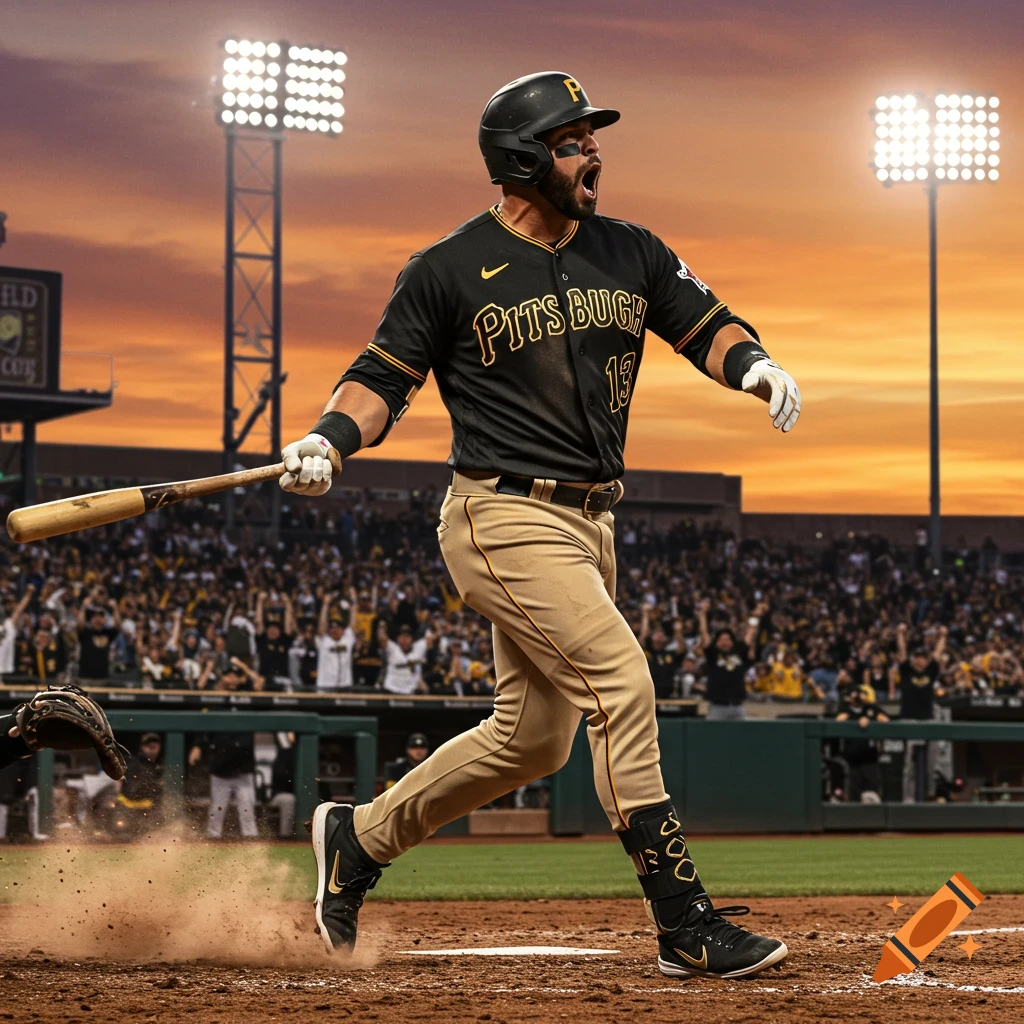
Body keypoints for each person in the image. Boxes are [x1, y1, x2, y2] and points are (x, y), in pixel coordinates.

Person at [281, 70, 800, 979]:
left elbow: (705, 322)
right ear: (523, 159)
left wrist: (753, 364)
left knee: (531, 739)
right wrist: (328, 439)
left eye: (590, 136)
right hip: (500, 512)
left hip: (593, 524)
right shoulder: (445, 268)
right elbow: (382, 377)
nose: (593, 150)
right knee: (621, 679)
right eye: (572, 139)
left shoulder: (630, 250)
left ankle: (357, 842)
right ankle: (685, 921)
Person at [189, 661, 263, 838]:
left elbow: (259, 683)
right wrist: (198, 746)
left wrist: (243, 666)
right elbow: (203, 722)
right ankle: (212, 849)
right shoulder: (215, 699)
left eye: (234, 676)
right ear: (222, 678)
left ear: (239, 679)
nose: (231, 679)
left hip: (243, 768)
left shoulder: (247, 698)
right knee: (216, 815)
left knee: (247, 815)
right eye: (227, 675)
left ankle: (252, 851)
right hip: (220, 768)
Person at [696, 600, 761, 720]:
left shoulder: (739, 652)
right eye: (721, 639)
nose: (724, 642)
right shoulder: (713, 654)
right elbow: (704, 633)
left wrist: (756, 617)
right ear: (716, 642)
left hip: (738, 706)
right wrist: (702, 615)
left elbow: (751, 633)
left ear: (732, 642)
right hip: (717, 706)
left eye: (728, 639)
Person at [834, 684, 889, 802]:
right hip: (853, 761)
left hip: (870, 758)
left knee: (873, 794)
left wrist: (871, 719)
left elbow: (885, 720)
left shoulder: (870, 709)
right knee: (854, 795)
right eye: (854, 694)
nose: (858, 696)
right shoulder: (845, 710)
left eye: (860, 693)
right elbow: (838, 721)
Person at [114, 732, 164, 834]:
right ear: (142, 747)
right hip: (127, 805)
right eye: (148, 744)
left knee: (156, 832)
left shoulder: (163, 764)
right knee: (120, 832)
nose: (152, 746)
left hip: (148, 807)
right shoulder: (131, 761)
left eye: (155, 744)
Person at [315, 594, 358, 691]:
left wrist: (353, 608)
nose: (335, 630)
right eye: (332, 627)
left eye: (338, 627)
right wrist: (325, 605)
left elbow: (353, 625)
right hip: (325, 686)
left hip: (345, 685)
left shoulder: (347, 640)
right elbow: (322, 625)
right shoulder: (325, 641)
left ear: (343, 630)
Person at [380, 623, 428, 695]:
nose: (404, 640)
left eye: (407, 637)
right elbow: (382, 639)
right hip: (391, 690)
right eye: (402, 636)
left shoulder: (418, 648)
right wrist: (381, 628)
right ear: (397, 638)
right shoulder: (393, 648)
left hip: (411, 691)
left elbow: (431, 639)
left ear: (412, 639)